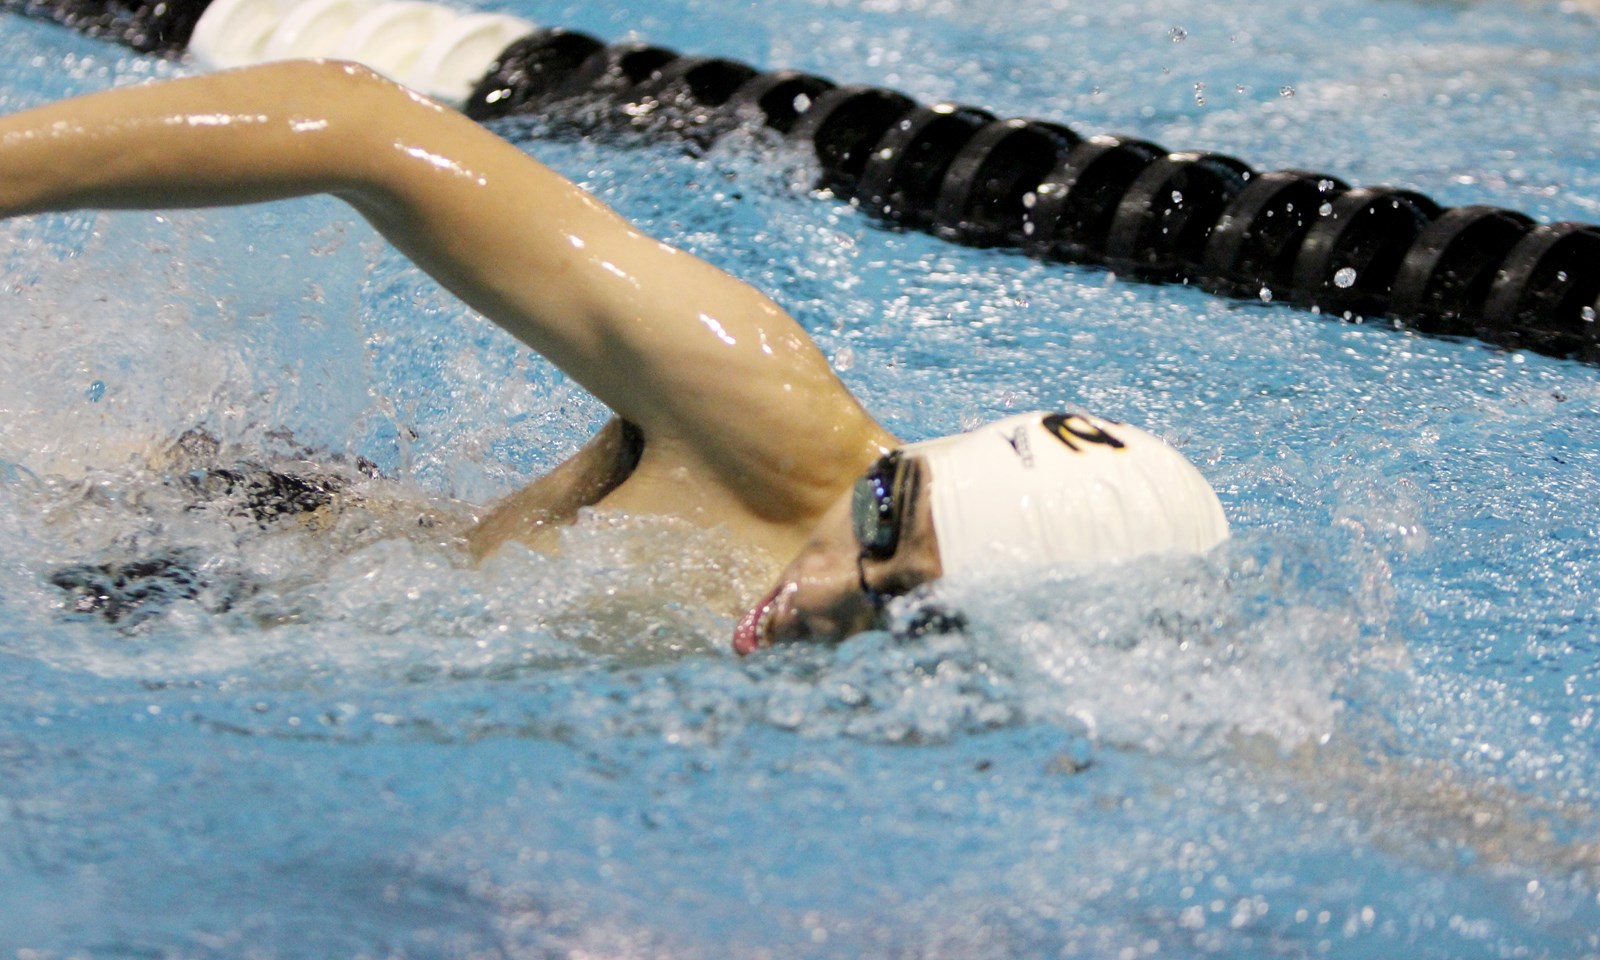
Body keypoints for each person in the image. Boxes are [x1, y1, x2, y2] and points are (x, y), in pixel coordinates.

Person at [0, 59, 1229, 653]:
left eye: (906, 607)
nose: (829, 584)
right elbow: (358, 124)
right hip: (194, 548)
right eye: (880, 513)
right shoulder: (763, 423)